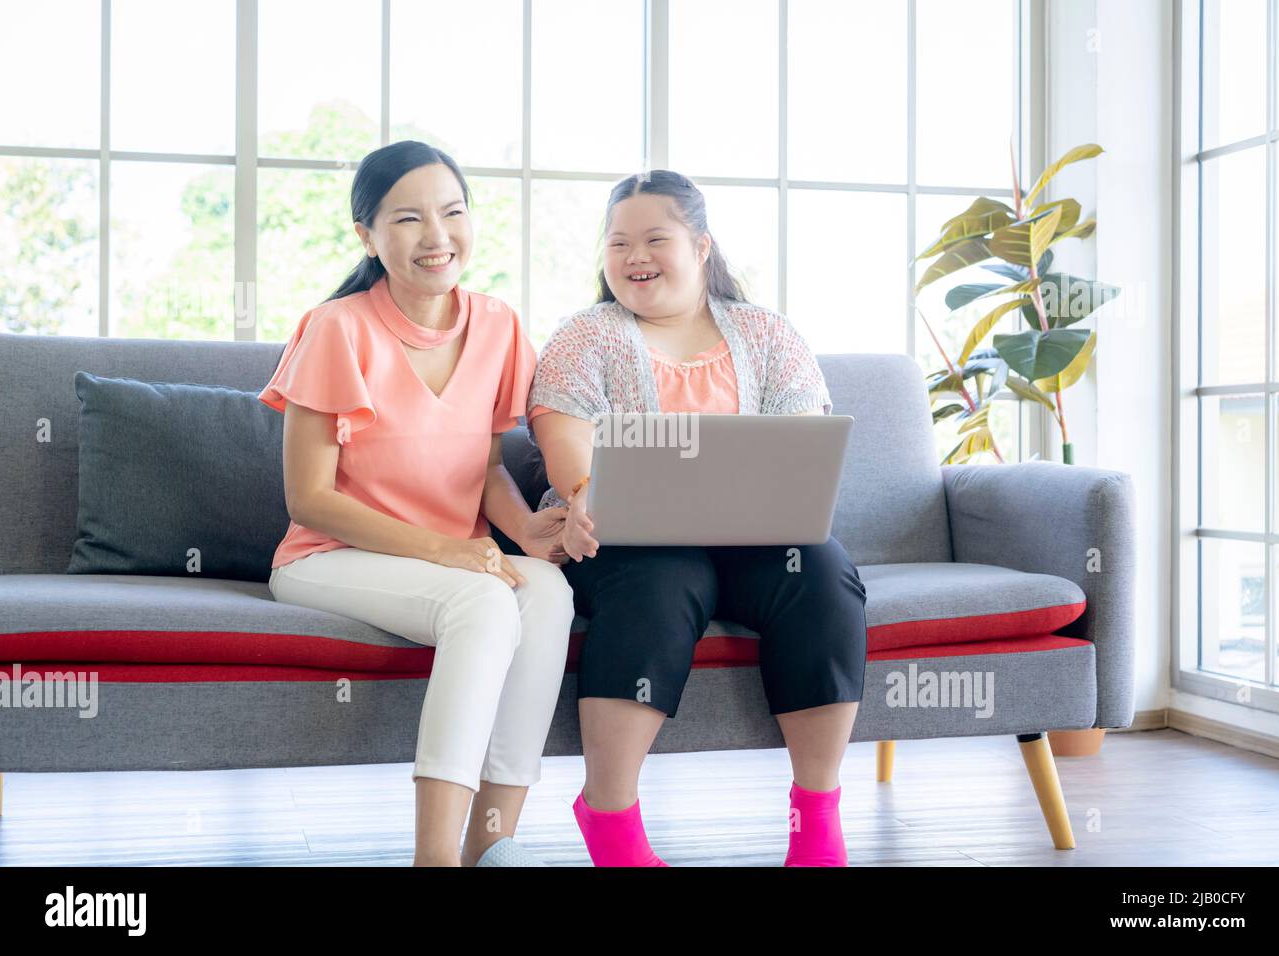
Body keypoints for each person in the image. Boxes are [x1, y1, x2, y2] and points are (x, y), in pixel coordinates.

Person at [527, 169, 868, 867]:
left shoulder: (768, 335)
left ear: (701, 246)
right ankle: (610, 817)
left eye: (655, 238)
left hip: (753, 541)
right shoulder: (582, 338)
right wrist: (587, 491)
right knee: (664, 577)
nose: (633, 256)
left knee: (824, 570)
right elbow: (569, 450)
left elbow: (801, 444)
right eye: (618, 242)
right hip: (625, 540)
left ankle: (817, 819)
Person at [259, 140, 574, 867]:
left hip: (451, 565)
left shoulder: (497, 325)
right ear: (367, 236)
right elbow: (308, 497)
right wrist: (450, 550)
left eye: (453, 212)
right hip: (329, 558)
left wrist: (525, 529)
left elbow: (487, 464)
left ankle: (493, 847)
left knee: (549, 591)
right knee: (484, 603)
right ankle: (434, 860)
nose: (437, 236)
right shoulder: (336, 328)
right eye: (407, 219)